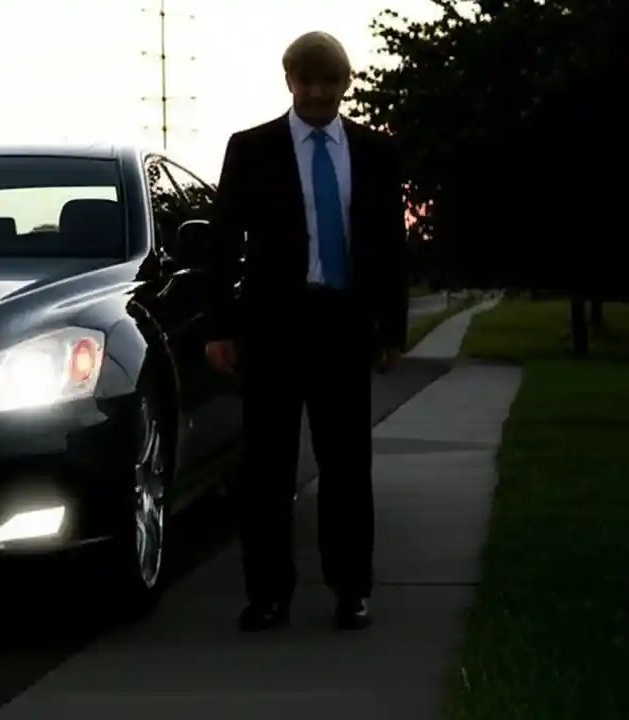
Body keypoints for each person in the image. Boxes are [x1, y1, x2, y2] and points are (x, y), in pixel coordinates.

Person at [202, 31, 408, 631]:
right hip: (272, 328)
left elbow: (389, 247)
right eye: (305, 80)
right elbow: (223, 244)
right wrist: (220, 326)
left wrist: (390, 327)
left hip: (344, 326)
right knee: (266, 467)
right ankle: (268, 595)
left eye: (329, 81)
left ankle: (352, 590)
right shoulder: (253, 149)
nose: (317, 92)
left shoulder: (374, 153)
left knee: (347, 465)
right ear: (288, 81)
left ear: (347, 82)